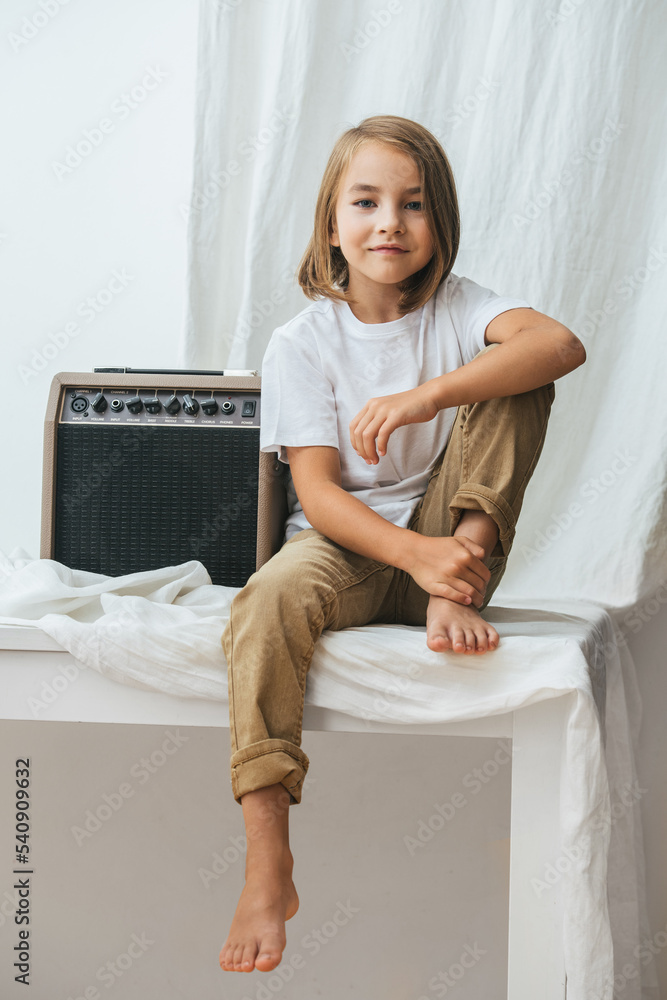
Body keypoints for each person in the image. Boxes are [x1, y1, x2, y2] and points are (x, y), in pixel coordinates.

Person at [219, 114, 586, 974]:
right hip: (348, 546)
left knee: (521, 372)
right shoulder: (301, 342)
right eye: (366, 202)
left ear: (438, 220)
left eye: (412, 204)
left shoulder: (459, 308)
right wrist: (411, 558)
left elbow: (561, 344)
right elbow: (316, 495)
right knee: (264, 601)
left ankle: (458, 582)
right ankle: (267, 859)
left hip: (449, 542)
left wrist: (428, 398)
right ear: (330, 223)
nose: (389, 222)